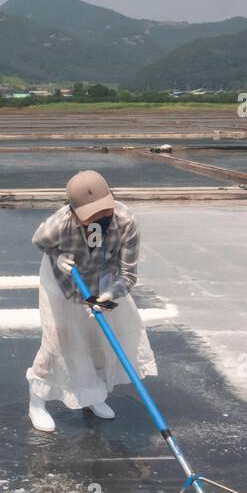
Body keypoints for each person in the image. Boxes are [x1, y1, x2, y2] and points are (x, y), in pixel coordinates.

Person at [26, 170, 157, 432]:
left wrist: (108, 296)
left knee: (100, 340)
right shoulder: (58, 225)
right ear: (73, 211)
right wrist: (57, 256)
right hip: (61, 283)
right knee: (58, 340)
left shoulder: (126, 222)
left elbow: (128, 274)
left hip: (105, 281)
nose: (99, 220)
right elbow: (40, 241)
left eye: (104, 212)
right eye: (90, 216)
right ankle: (36, 404)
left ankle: (93, 396)